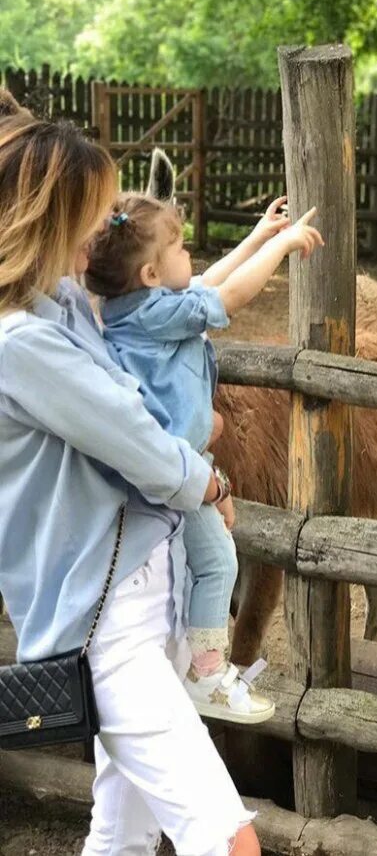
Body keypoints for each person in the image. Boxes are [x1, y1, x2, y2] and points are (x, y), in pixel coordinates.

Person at [0, 98, 262, 854]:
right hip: (106, 622)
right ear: (50, 219)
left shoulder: (62, 306)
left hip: (153, 588)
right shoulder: (22, 343)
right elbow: (136, 440)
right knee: (229, 841)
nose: (107, 225)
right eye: (94, 210)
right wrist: (208, 482)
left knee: (122, 832)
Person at [85, 192, 323, 721]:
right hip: (176, 467)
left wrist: (258, 236)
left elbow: (206, 282)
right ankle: (208, 672)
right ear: (150, 273)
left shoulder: (134, 308)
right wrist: (282, 247)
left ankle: (191, 665)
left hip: (179, 461)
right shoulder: (157, 314)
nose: (188, 253)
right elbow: (227, 297)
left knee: (194, 563)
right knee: (219, 562)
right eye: (179, 246)